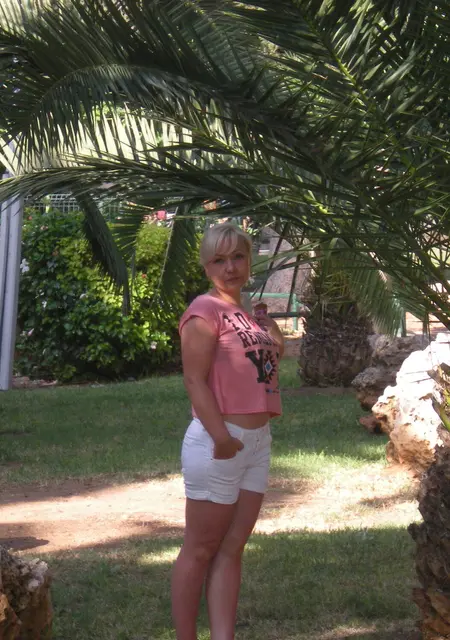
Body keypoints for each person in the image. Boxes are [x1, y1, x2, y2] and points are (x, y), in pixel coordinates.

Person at [171, 223, 284, 640]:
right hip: (219, 441)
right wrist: (221, 438)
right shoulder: (205, 310)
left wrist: (271, 332)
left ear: (249, 260)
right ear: (206, 266)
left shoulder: (246, 313)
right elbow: (194, 380)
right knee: (200, 548)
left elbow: (266, 361)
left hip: (257, 442)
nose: (230, 267)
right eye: (219, 260)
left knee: (232, 547)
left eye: (238, 256)